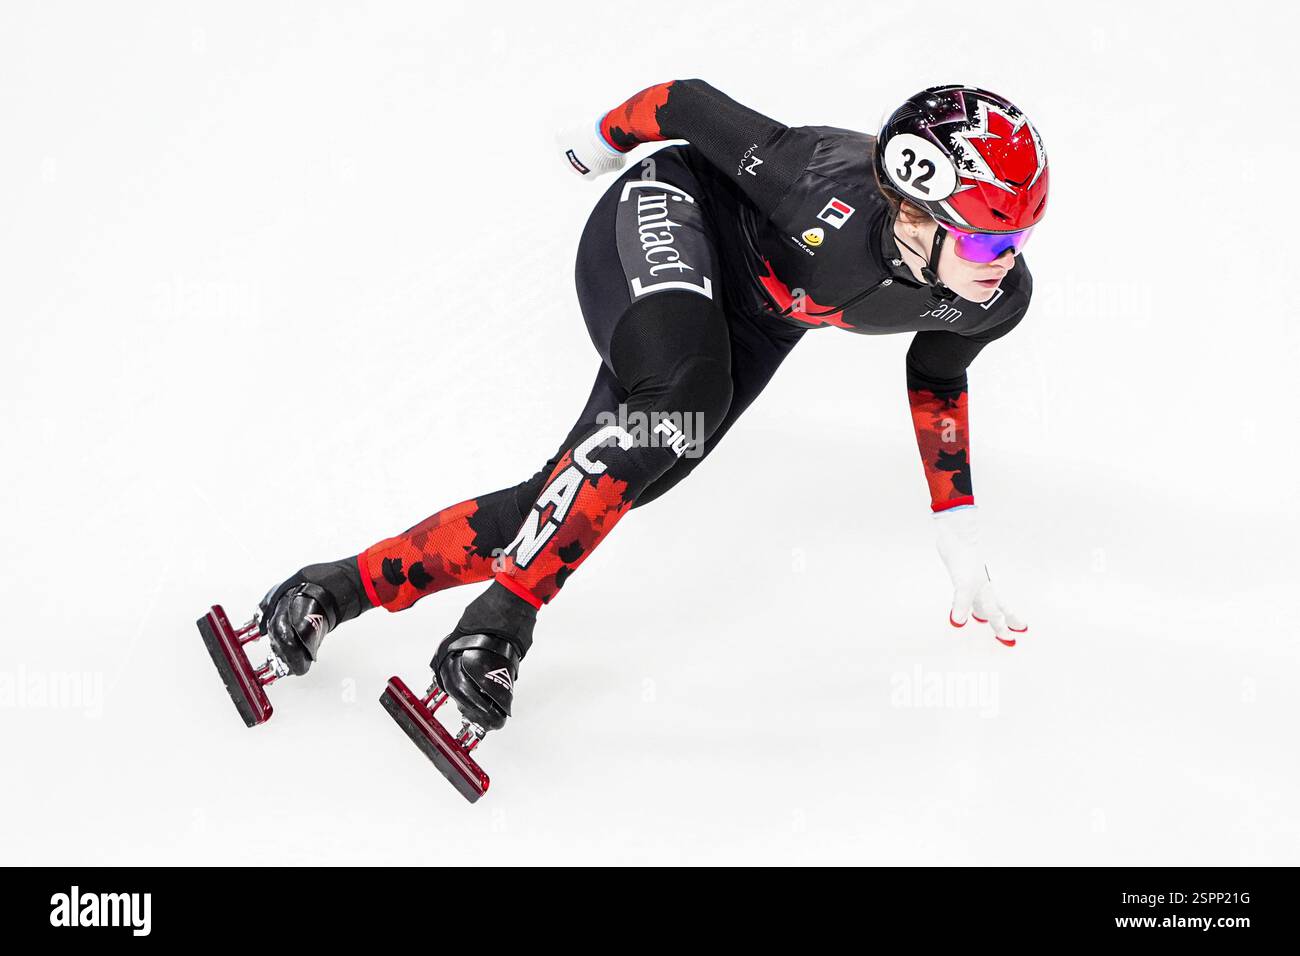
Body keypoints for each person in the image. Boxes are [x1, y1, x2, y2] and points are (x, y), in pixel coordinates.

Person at [255, 81, 1048, 736]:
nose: (1001, 263)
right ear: (913, 213)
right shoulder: (811, 177)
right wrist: (600, 140)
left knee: (590, 493)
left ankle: (328, 591)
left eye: (1016, 239)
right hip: (673, 210)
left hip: (753, 318)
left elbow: (939, 378)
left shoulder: (992, 301)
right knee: (682, 399)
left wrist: (956, 515)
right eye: (983, 241)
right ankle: (497, 626)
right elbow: (683, 102)